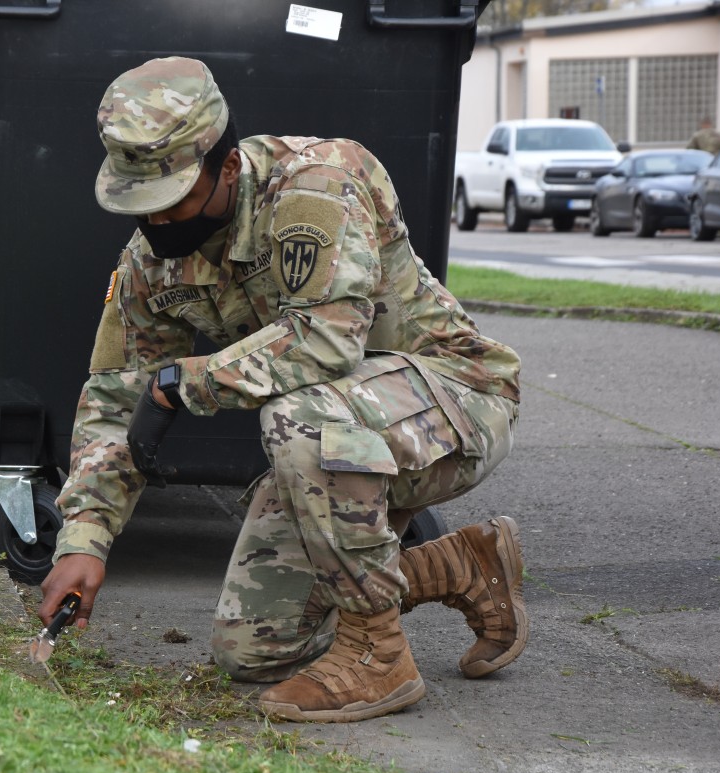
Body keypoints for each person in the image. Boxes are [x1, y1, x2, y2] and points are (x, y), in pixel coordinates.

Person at [38, 56, 525, 723]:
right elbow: (113, 397)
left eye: (172, 198)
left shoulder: (318, 183)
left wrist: (184, 383)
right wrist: (84, 540)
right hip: (340, 438)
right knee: (251, 648)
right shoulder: (149, 264)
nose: (156, 224)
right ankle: (462, 565)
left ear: (227, 167)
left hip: (453, 397)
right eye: (139, 204)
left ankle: (376, 656)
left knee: (300, 421)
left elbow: (326, 341)